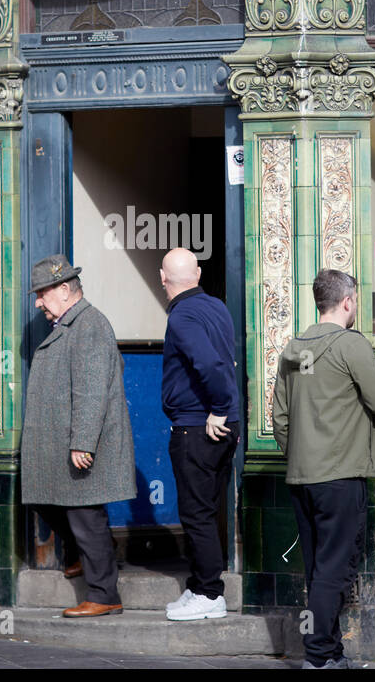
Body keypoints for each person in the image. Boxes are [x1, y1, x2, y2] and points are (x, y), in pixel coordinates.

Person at [272, 269, 375, 669]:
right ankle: (319, 657)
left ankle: (331, 651)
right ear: (348, 302)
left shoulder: (294, 349)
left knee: (319, 568)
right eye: (356, 299)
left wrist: (301, 456)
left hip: (303, 478)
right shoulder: (351, 346)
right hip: (340, 477)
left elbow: (280, 419)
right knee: (334, 569)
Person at [20, 254, 136, 618]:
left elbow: (91, 390)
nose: (38, 302)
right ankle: (88, 556)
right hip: (60, 444)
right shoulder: (72, 324)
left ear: (65, 290)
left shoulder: (89, 325)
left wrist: (83, 441)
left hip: (82, 444)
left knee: (85, 514)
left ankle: (104, 594)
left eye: (42, 293)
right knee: (47, 500)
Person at [158, 247, 240, 622]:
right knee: (206, 510)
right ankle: (198, 585)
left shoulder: (181, 316)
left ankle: (209, 594)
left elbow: (209, 363)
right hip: (221, 426)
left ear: (163, 279)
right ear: (199, 273)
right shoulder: (216, 307)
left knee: (197, 514)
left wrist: (218, 407)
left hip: (198, 427)